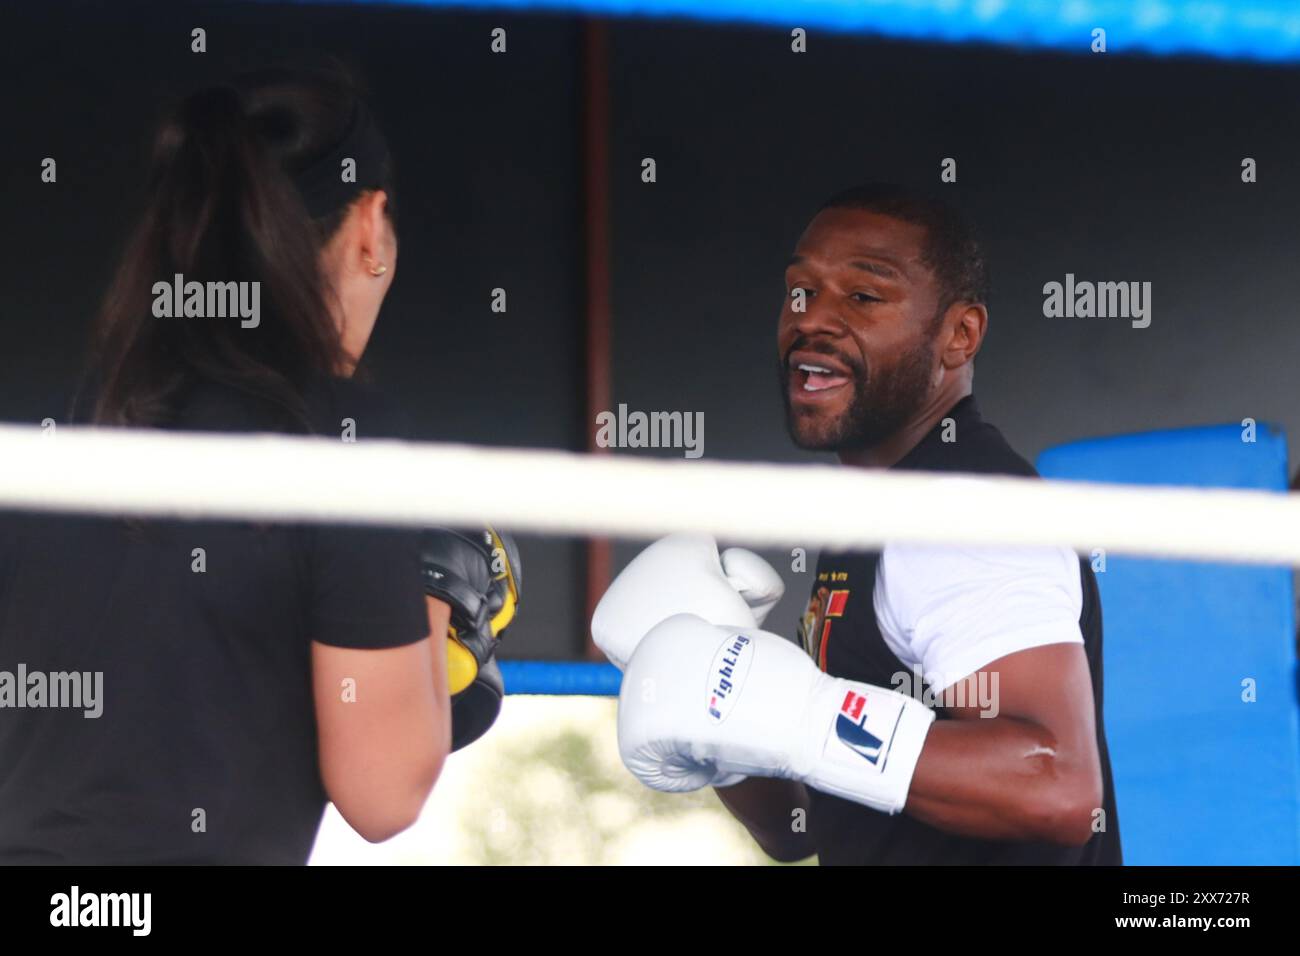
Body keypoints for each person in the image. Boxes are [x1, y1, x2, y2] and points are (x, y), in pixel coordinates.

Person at [0, 65, 512, 864]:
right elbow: (381, 793)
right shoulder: (344, 442)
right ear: (370, 228)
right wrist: (436, 588)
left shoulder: (51, 429)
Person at [593, 184, 1122, 865]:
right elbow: (802, 826)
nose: (813, 319)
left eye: (863, 297)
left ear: (959, 336)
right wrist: (723, 717)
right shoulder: (866, 517)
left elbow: (1057, 787)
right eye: (799, 292)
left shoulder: (964, 509)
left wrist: (805, 717)